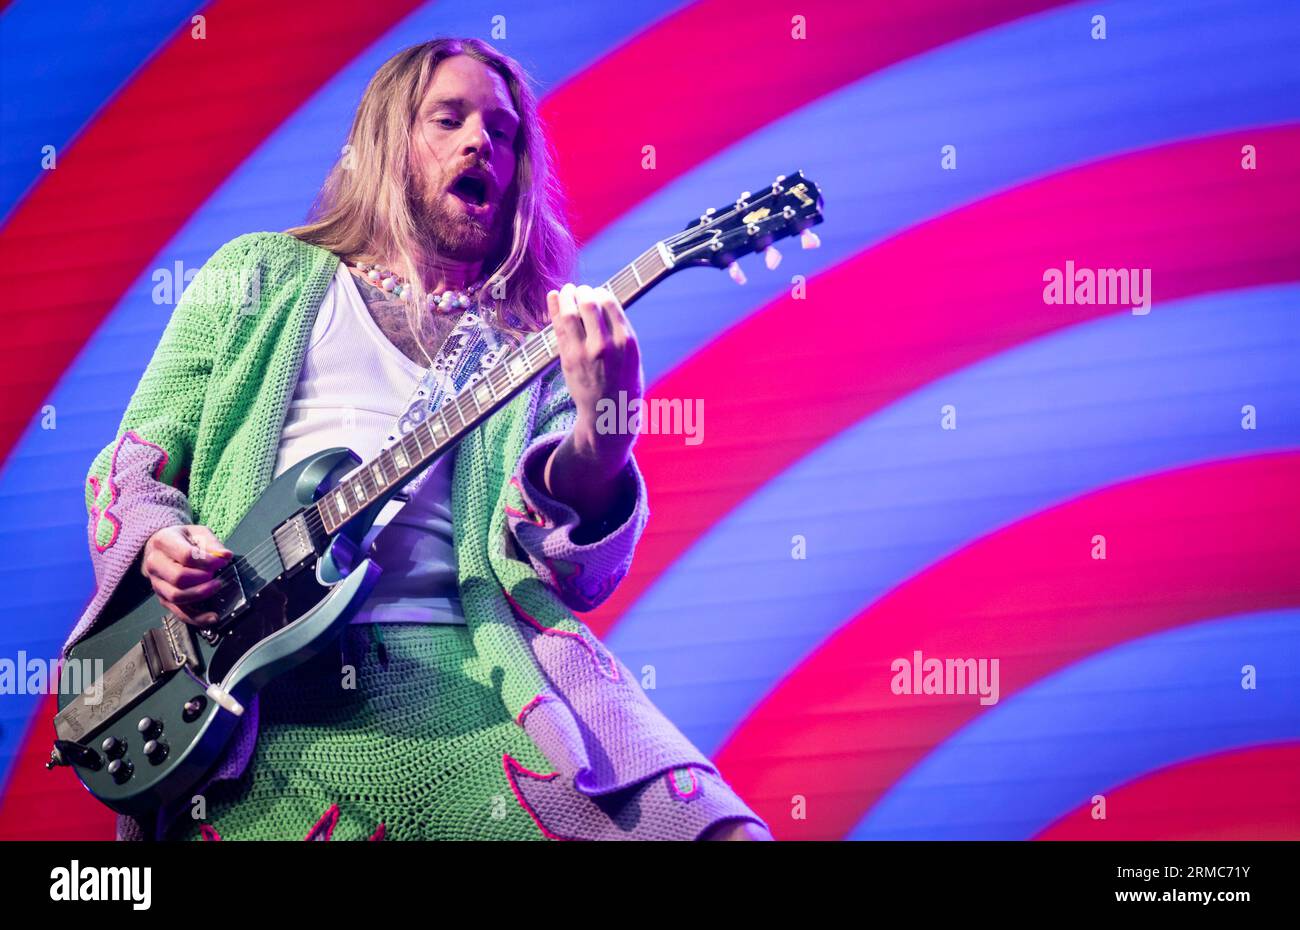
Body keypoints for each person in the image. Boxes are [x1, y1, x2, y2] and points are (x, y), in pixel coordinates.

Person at [65, 37, 771, 841]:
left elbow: (567, 568)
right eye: (450, 119)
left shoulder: (527, 344)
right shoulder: (260, 275)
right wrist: (160, 543)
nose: (481, 143)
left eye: (503, 134)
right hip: (258, 690)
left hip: (481, 678)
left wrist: (605, 435)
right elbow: (133, 462)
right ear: (385, 143)